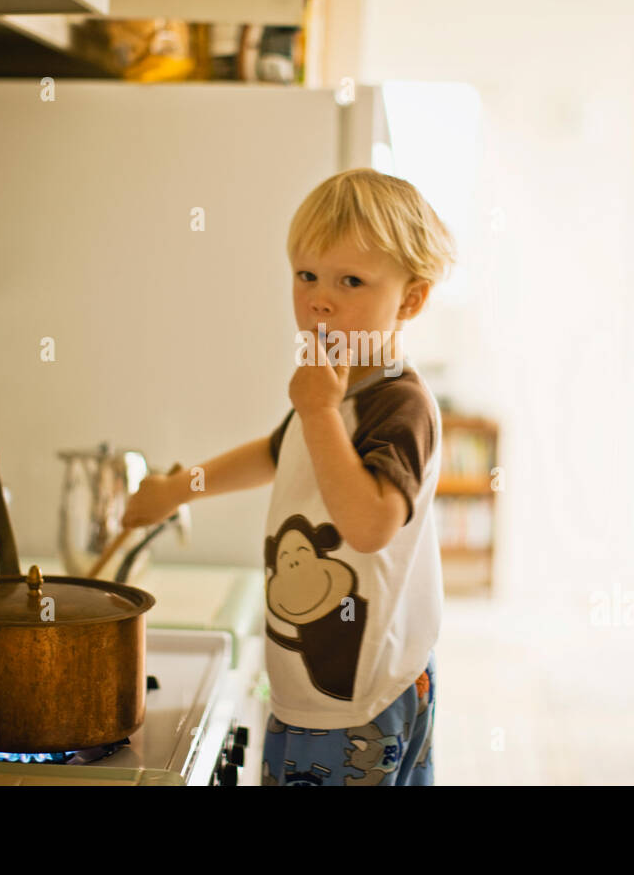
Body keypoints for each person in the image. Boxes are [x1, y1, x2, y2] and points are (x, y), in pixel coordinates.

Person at [121, 168, 455, 785]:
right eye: (307, 276)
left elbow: (369, 523)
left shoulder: (396, 403)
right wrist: (176, 490)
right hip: (320, 684)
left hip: (363, 696)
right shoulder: (334, 384)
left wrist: (320, 410)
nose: (319, 300)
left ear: (409, 300)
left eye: (350, 281)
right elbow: (278, 453)